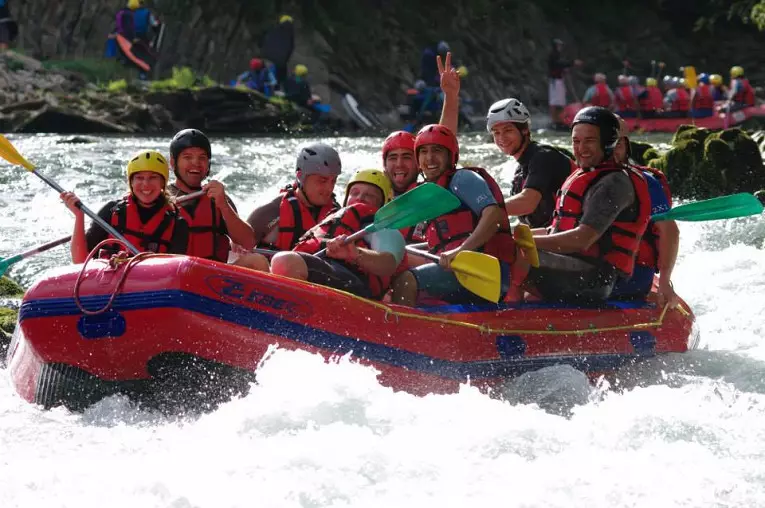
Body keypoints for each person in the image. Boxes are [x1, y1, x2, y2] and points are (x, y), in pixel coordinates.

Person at [521, 107, 651, 303]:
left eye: (589, 141)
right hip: (574, 265)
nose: (581, 148)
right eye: (576, 141)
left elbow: (583, 239)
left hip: (595, 277)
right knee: (499, 244)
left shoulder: (614, 183)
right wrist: (509, 235)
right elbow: (555, 230)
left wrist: (523, 243)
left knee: (515, 253)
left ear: (608, 143)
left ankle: (502, 317)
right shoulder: (584, 175)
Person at [391, 124, 519, 306]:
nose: (429, 158)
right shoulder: (432, 193)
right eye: (424, 152)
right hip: (459, 272)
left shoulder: (462, 179)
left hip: (483, 273)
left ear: (451, 156)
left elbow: (494, 216)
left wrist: (460, 251)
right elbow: (444, 242)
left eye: (437, 151)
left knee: (406, 280)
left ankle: (399, 331)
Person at [270, 169, 405, 300]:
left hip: (356, 286)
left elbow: (389, 264)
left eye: (370, 195)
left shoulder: (385, 230)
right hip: (321, 269)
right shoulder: (331, 220)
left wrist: (355, 254)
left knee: (285, 262)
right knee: (256, 261)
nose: (360, 198)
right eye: (354, 192)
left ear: (384, 204)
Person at [60, 150, 190, 264]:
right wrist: (79, 216)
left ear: (163, 182)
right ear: (131, 182)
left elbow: (172, 273)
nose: (146, 184)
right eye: (139, 177)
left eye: (153, 177)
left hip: (150, 289)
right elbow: (79, 261)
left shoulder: (178, 224)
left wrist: (131, 262)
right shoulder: (111, 211)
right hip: (109, 284)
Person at [238, 143, 341, 270]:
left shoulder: (336, 214)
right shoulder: (271, 212)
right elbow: (237, 249)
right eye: (322, 181)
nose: (329, 188)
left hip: (313, 280)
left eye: (333, 181)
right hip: (272, 279)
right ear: (300, 176)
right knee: (252, 260)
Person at [610, 117, 679, 306]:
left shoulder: (645, 182)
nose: (614, 149)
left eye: (619, 143)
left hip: (630, 275)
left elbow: (669, 230)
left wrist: (664, 282)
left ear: (626, 145)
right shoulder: (580, 178)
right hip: (592, 268)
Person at [166, 129, 254, 263]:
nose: (196, 163)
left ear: (208, 164)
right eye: (187, 157)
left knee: (257, 261)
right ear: (173, 163)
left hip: (211, 278)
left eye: (202, 157)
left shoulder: (219, 198)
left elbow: (248, 243)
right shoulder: (159, 196)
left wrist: (224, 206)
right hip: (169, 274)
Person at [485, 98, 574, 228]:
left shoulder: (544, 157)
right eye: (496, 133)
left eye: (508, 130)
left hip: (567, 239)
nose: (501, 138)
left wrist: (484, 209)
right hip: (548, 237)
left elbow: (527, 203)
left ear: (524, 129)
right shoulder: (520, 172)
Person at [548, 38, 582, 127]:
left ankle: (559, 120)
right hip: (555, 81)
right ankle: (554, 120)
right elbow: (558, 64)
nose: (560, 47)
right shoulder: (553, 55)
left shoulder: (557, 55)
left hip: (559, 80)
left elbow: (561, 64)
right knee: (555, 102)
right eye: (559, 45)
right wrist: (572, 63)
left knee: (560, 101)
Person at [261, 14, 294, 90]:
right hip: (280, 61)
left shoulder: (273, 29)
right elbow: (290, 48)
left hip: (267, 58)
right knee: (279, 79)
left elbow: (265, 42)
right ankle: (277, 91)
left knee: (266, 76)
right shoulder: (290, 33)